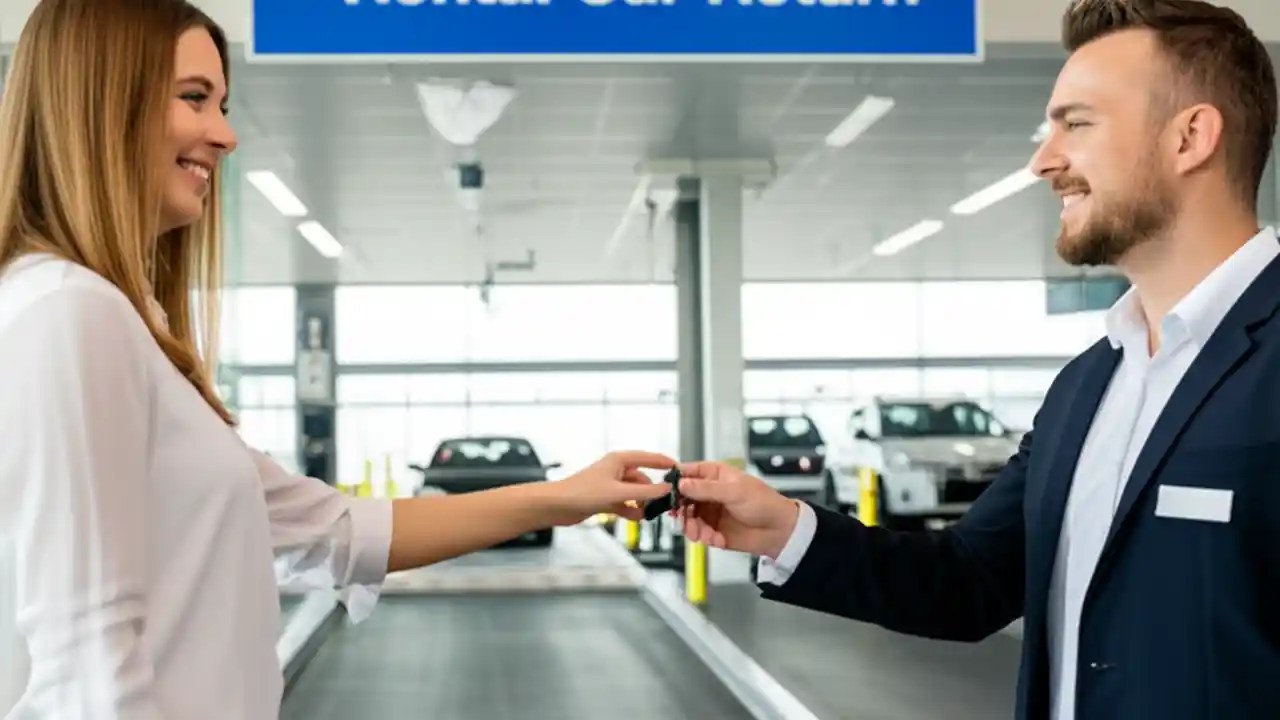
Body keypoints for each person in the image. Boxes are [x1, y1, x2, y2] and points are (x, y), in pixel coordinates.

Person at [0, 1, 674, 717]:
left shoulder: (118, 322)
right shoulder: (68, 313)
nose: (224, 135)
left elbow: (335, 532)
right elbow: (84, 668)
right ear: (102, 100)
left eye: (222, 105)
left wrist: (566, 496)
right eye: (194, 98)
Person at [673, 1, 1279, 719]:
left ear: (1191, 137)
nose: (1043, 159)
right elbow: (970, 581)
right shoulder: (1089, 383)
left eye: (1076, 123)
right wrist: (783, 527)